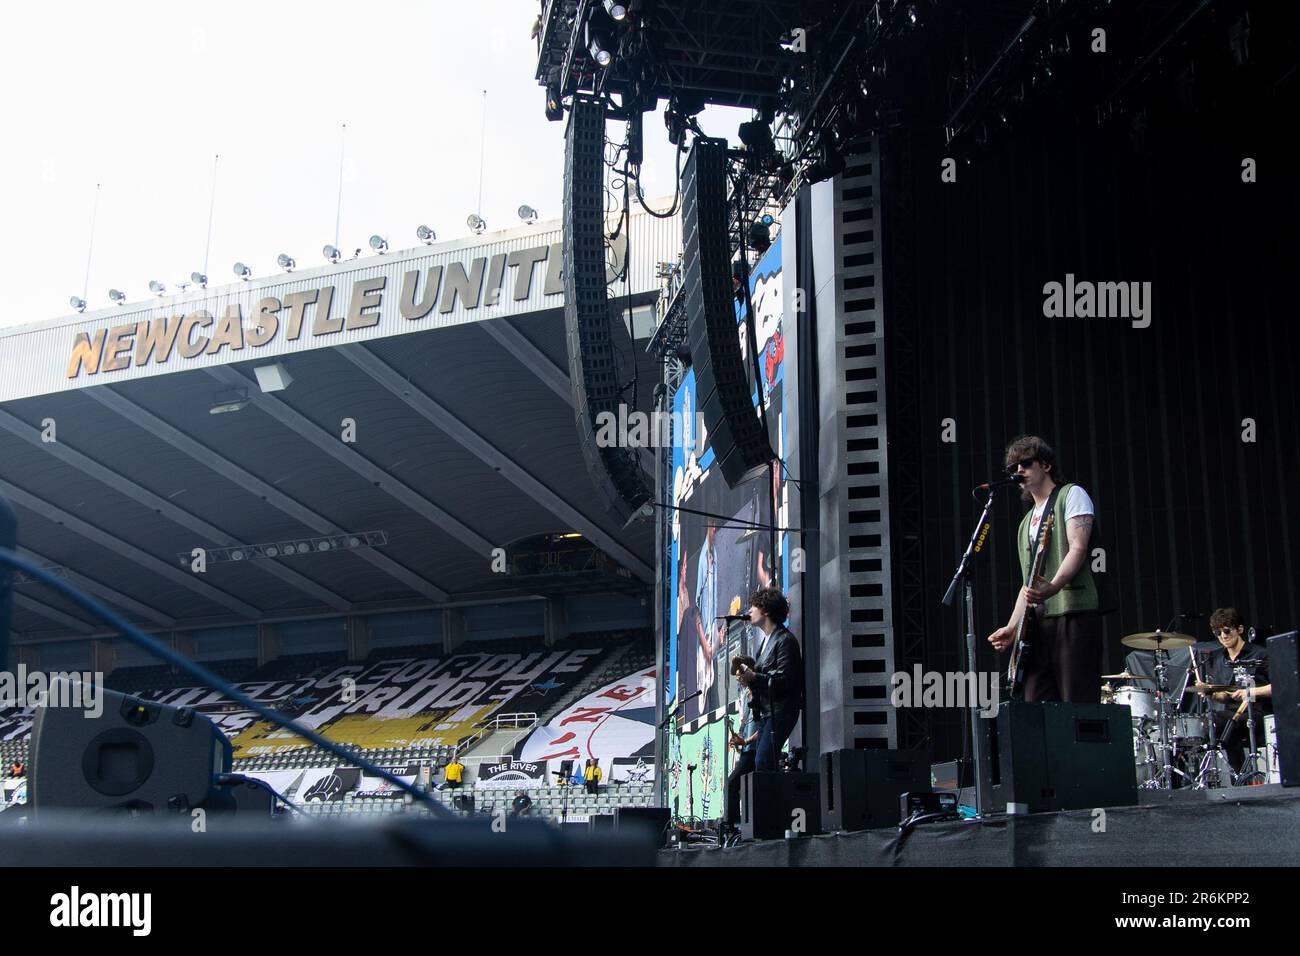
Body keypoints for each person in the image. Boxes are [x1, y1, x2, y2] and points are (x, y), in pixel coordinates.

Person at [987, 436, 1102, 703]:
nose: (1019, 472)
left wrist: (1054, 586)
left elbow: (1077, 548)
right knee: (1036, 703)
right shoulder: (1026, 521)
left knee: (1077, 700)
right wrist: (1012, 626)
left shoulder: (1071, 494)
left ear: (1046, 465)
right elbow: (1027, 583)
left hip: (1072, 610)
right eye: (1013, 468)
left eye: (1025, 464)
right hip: (1037, 621)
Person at [733, 587, 803, 772]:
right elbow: (765, 680)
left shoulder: (785, 640)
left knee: (764, 762)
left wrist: (755, 676)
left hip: (781, 711)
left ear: (765, 610)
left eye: (753, 607)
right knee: (762, 763)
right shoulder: (765, 642)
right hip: (768, 713)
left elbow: (785, 680)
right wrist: (749, 681)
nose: (749, 611)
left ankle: (776, 800)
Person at [1201, 607, 1271, 777]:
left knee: (1222, 724)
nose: (1223, 636)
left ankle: (1241, 777)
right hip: (1232, 713)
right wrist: (1210, 692)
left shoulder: (1261, 654)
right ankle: (1232, 776)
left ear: (1239, 629)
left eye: (1226, 630)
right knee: (1204, 724)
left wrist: (1252, 692)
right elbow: (1225, 696)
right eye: (1218, 632)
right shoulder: (1218, 660)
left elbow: (1281, 685)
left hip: (1258, 712)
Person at [723, 656, 760, 847]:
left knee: (731, 784)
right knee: (741, 787)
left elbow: (763, 726)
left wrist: (745, 740)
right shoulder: (745, 694)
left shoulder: (756, 692)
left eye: (740, 674)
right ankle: (738, 827)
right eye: (736, 675)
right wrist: (739, 739)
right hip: (748, 749)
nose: (738, 678)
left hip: (755, 750)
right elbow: (748, 724)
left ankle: (732, 826)